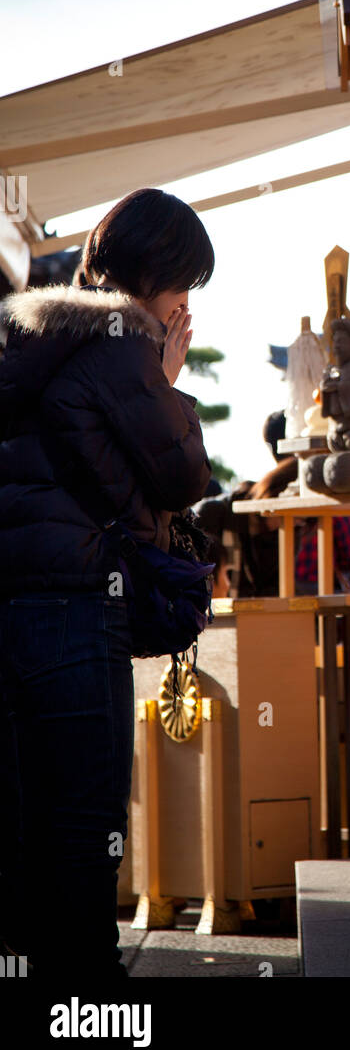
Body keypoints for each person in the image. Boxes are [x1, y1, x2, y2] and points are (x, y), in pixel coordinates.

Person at [0, 188, 214, 979]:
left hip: (14, 610)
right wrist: (169, 378)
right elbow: (181, 474)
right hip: (79, 611)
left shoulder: (32, 339)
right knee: (86, 826)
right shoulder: (126, 345)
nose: (183, 304)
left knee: (31, 825)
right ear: (154, 272)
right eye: (183, 283)